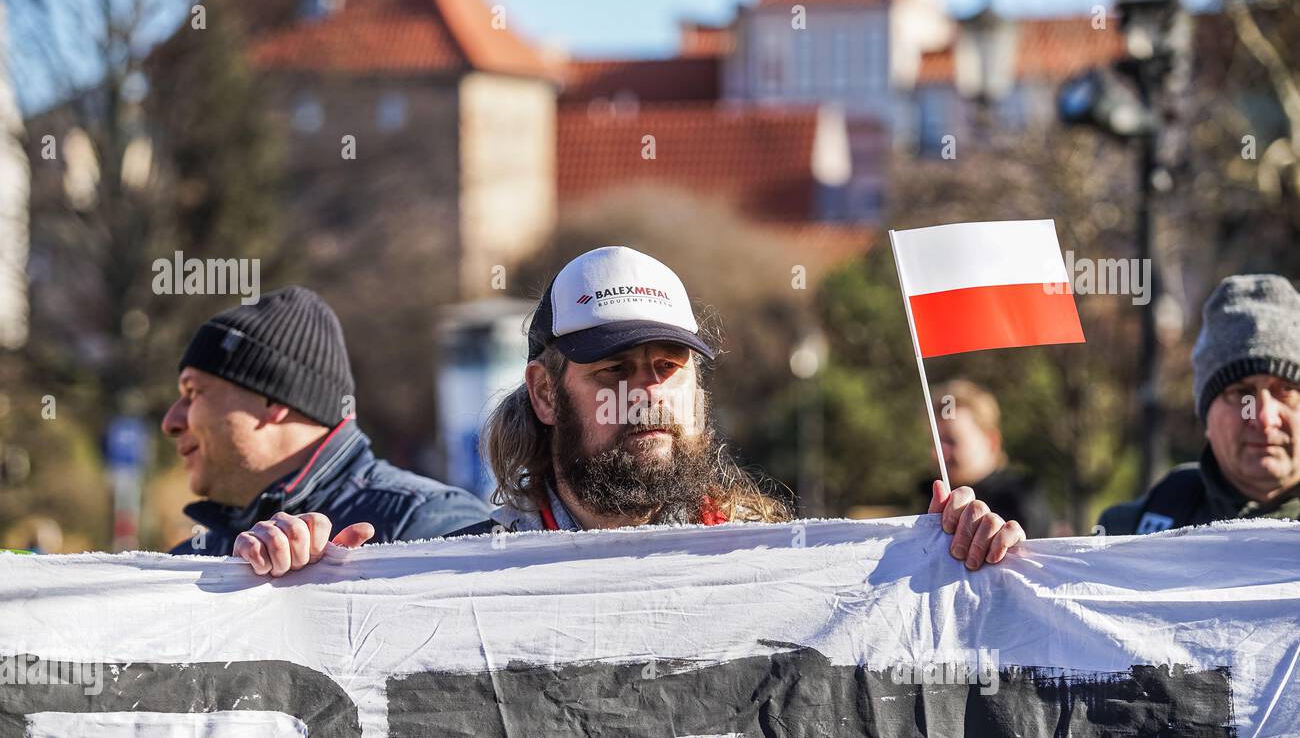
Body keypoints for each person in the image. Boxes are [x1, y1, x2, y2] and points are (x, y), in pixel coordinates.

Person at [233, 247, 1025, 575]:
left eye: (666, 368)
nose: (645, 392)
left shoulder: (782, 566)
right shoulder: (459, 569)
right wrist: (300, 583)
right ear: (545, 393)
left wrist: (967, 565)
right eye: (614, 368)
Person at [163, 285, 490, 556]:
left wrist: (330, 601)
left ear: (274, 400)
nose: (171, 422)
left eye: (193, 391)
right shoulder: (192, 561)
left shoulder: (434, 524)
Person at [1098, 274, 1300, 534]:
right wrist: (1030, 562)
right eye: (1240, 392)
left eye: (1286, 390)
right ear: (1206, 416)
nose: (1263, 417)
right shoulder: (1126, 535)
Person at [917, 380, 1052, 538]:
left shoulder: (1022, 503)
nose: (937, 453)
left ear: (991, 441)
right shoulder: (926, 498)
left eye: (951, 441)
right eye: (934, 442)